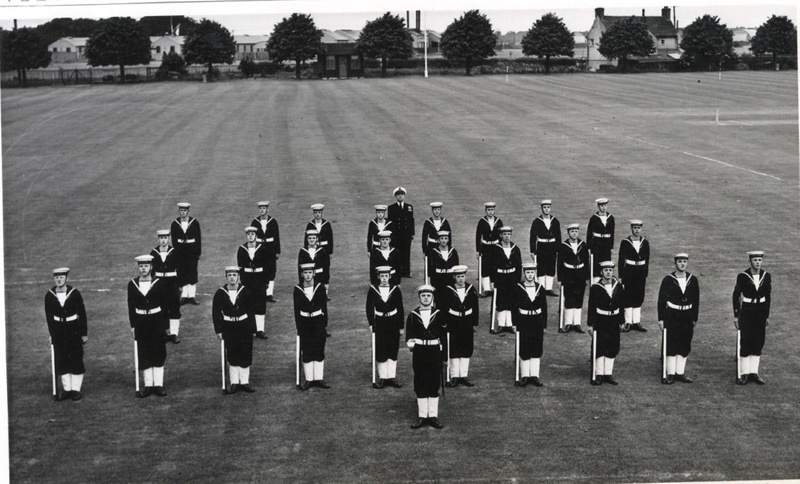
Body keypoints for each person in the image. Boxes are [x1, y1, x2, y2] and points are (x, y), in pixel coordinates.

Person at [128, 255, 169, 397]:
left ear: (151, 267)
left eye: (146, 266)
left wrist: (165, 325)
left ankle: (158, 385)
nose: (143, 269)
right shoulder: (132, 284)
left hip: (156, 321)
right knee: (144, 352)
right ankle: (148, 385)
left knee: (158, 351)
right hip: (141, 322)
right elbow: (131, 306)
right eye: (141, 266)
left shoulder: (159, 283)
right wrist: (133, 325)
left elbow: (165, 305)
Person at [406, 285, 446, 429]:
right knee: (420, 381)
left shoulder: (439, 314)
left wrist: (444, 356)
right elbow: (409, 336)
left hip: (434, 351)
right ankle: (422, 416)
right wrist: (413, 345)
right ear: (419, 298)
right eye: (423, 296)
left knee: (434, 381)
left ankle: (433, 416)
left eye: (428, 296)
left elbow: (444, 337)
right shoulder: (412, 315)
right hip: (420, 352)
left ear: (432, 298)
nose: (426, 298)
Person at [45, 267, 88, 401]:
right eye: (56, 277)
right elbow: (49, 317)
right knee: (62, 358)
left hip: (73, 329)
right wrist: (52, 334)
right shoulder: (50, 295)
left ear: (66, 278)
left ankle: (75, 389)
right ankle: (67, 389)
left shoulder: (74, 293)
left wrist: (84, 333)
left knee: (75, 357)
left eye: (61, 277)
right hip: (58, 330)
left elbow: (82, 314)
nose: (59, 280)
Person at [212, 266, 256, 394]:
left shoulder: (246, 291)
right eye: (229, 275)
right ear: (226, 277)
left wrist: (253, 329)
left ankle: (244, 382)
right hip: (229, 327)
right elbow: (216, 313)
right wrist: (218, 330)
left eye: (234, 275)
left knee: (245, 353)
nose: (232, 277)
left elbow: (251, 311)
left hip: (244, 327)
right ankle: (234, 383)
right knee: (232, 353)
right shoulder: (220, 293)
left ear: (238, 277)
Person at [657, 253, 700, 384]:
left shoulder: (693, 279)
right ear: (675, 263)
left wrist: (694, 317)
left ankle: (680, 372)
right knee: (671, 343)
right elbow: (661, 300)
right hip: (672, 315)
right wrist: (661, 319)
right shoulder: (668, 280)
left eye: (684, 261)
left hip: (687, 315)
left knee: (685, 342)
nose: (682, 264)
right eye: (680, 261)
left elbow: (696, 300)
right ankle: (670, 373)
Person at [733, 251, 770, 385]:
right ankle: (744, 373)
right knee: (746, 340)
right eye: (755, 260)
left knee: (758, 340)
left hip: (760, 311)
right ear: (750, 261)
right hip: (748, 311)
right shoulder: (743, 276)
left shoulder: (766, 276)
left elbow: (768, 297)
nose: (757, 262)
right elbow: (736, 295)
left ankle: (754, 372)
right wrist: (736, 315)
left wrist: (766, 315)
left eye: (759, 260)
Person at [366, 266, 405, 389]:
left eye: (386, 276)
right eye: (382, 276)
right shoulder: (373, 289)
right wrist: (371, 323)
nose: (384, 278)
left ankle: (391, 376)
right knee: (381, 347)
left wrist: (401, 326)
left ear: (390, 276)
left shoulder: (395, 289)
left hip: (393, 321)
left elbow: (400, 308)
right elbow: (369, 308)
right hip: (380, 322)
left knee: (393, 348)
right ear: (378, 277)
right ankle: (383, 377)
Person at [587, 261, 624, 386]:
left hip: (614, 320)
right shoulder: (596, 287)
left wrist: (621, 321)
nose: (608, 272)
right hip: (601, 320)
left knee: (612, 346)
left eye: (610, 270)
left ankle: (608, 373)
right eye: (606, 270)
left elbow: (621, 304)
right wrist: (590, 324)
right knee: (600, 346)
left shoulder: (618, 286)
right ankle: (598, 373)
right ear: (601, 272)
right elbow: (591, 306)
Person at [294, 263, 330, 390]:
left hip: (318, 322)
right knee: (307, 349)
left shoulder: (320, 288)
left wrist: (324, 325)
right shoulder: (297, 289)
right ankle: (309, 379)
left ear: (314, 273)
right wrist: (299, 327)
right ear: (302, 274)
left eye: (310, 273)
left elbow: (324, 307)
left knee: (319, 348)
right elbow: (296, 310)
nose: (308, 275)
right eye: (305, 273)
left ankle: (318, 378)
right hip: (305, 323)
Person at [512, 262, 548, 387]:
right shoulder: (518, 288)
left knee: (536, 347)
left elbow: (544, 308)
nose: (530, 275)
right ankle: (525, 375)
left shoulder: (540, 288)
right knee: (524, 347)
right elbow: (514, 307)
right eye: (528, 272)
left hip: (537, 321)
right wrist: (514, 323)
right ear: (524, 273)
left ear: (535, 273)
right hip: (524, 321)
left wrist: (544, 325)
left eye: (532, 272)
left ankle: (534, 375)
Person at [443, 265, 479, 387]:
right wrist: (445, 323)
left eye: (462, 276)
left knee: (466, 347)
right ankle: (454, 375)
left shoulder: (471, 289)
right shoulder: (448, 289)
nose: (460, 279)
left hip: (467, 321)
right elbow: (444, 307)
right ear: (454, 277)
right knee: (454, 347)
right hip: (453, 321)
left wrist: (474, 323)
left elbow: (475, 307)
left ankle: (463, 375)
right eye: (458, 276)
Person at [618, 220, 650, 332]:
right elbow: (621, 259)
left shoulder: (645, 242)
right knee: (628, 295)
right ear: (631, 228)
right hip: (629, 271)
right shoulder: (625, 242)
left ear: (641, 229)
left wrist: (645, 272)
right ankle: (628, 322)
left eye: (639, 228)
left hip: (640, 271)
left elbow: (647, 258)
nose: (637, 230)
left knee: (639, 295)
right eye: (635, 228)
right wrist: (621, 274)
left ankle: (636, 321)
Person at [238, 226, 269, 340]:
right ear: (246, 236)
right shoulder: (242, 249)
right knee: (248, 304)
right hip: (248, 280)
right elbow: (240, 267)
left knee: (260, 304)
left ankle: (260, 330)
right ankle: (251, 330)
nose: (250, 236)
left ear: (256, 236)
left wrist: (266, 281)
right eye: (248, 234)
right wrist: (243, 281)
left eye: (252, 234)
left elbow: (267, 266)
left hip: (260, 279)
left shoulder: (263, 248)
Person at [150, 230, 181, 344]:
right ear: (158, 239)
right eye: (161, 238)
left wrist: (179, 285)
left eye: (165, 238)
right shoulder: (153, 253)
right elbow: (151, 271)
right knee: (161, 308)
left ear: (169, 239)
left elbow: (180, 269)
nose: (163, 240)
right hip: (159, 284)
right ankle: (163, 333)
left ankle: (174, 333)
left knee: (174, 308)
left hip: (172, 284)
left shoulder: (174, 252)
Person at [557, 223, 589, 333]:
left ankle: (577, 323)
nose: (574, 233)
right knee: (569, 297)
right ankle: (568, 323)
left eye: (576, 231)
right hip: (568, 274)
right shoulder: (563, 246)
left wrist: (586, 277)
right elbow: (559, 263)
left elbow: (586, 261)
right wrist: (560, 279)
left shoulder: (583, 245)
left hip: (580, 274)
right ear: (568, 233)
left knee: (579, 298)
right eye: (572, 231)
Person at [490, 226, 522, 334]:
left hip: (512, 278)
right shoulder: (496, 248)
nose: (507, 236)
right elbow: (492, 266)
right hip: (500, 278)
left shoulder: (515, 248)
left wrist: (518, 281)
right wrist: (492, 281)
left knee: (512, 300)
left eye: (508, 234)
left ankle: (511, 324)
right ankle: (501, 324)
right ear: (500, 235)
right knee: (501, 301)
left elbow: (518, 266)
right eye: (504, 234)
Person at [171, 202, 202, 305]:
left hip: (192, 251)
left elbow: (198, 238)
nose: (183, 212)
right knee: (182, 271)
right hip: (180, 251)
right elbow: (174, 240)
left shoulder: (194, 222)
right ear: (179, 211)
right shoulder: (175, 224)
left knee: (192, 271)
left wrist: (198, 252)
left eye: (185, 210)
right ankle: (184, 295)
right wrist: (175, 252)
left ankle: (192, 296)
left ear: (188, 211)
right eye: (181, 210)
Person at [529, 199, 561, 296]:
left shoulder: (555, 221)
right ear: (542, 208)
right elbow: (533, 236)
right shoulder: (537, 221)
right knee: (541, 266)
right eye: (544, 207)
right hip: (541, 246)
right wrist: (532, 250)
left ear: (550, 208)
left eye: (548, 207)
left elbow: (558, 236)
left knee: (551, 266)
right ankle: (541, 288)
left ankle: (549, 288)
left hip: (552, 246)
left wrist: (558, 249)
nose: (546, 209)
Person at [251, 201, 280, 303]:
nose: (262, 210)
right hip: (259, 249)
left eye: (264, 208)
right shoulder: (255, 222)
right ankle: (261, 292)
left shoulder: (273, 222)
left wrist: (277, 251)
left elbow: (276, 237)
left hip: (270, 249)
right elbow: (252, 237)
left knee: (271, 270)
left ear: (267, 209)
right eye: (260, 208)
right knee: (260, 269)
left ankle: (269, 294)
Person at [475, 202, 502, 297]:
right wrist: (478, 250)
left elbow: (501, 236)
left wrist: (501, 247)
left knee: (495, 266)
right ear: (485, 210)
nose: (490, 212)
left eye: (492, 210)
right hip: (485, 247)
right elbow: (478, 236)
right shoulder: (482, 221)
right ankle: (486, 289)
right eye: (488, 210)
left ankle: (493, 288)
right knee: (485, 267)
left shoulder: (498, 221)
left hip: (496, 247)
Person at [387, 187, 415, 278]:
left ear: (404, 196)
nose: (400, 196)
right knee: (397, 253)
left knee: (406, 253)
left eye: (402, 194)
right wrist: (391, 235)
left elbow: (411, 221)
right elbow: (390, 222)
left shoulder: (409, 207)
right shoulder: (391, 208)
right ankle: (397, 271)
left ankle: (406, 272)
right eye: (398, 195)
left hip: (406, 235)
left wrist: (412, 233)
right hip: (396, 235)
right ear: (395, 196)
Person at [587, 198, 615, 284]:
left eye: (605, 205)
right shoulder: (594, 218)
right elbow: (589, 233)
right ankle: (595, 282)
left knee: (606, 262)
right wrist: (589, 247)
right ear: (598, 207)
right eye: (602, 206)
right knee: (596, 263)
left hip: (607, 244)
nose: (604, 207)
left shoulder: (610, 218)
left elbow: (612, 233)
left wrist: (611, 247)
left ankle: (605, 282)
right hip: (597, 243)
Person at [298, 229, 331, 298]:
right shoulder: (303, 251)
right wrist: (301, 281)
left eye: (313, 238)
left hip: (320, 277)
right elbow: (300, 268)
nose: (312, 240)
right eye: (310, 238)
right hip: (308, 279)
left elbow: (326, 267)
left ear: (317, 239)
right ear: (307, 239)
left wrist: (326, 281)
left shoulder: (322, 251)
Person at [427, 231, 459, 300]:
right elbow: (431, 267)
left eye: (445, 238)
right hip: (438, 279)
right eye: (441, 238)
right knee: (439, 298)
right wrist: (431, 281)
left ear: (448, 240)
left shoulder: (453, 251)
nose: (444, 240)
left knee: (450, 298)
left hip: (450, 278)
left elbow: (456, 265)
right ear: (438, 240)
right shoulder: (433, 252)